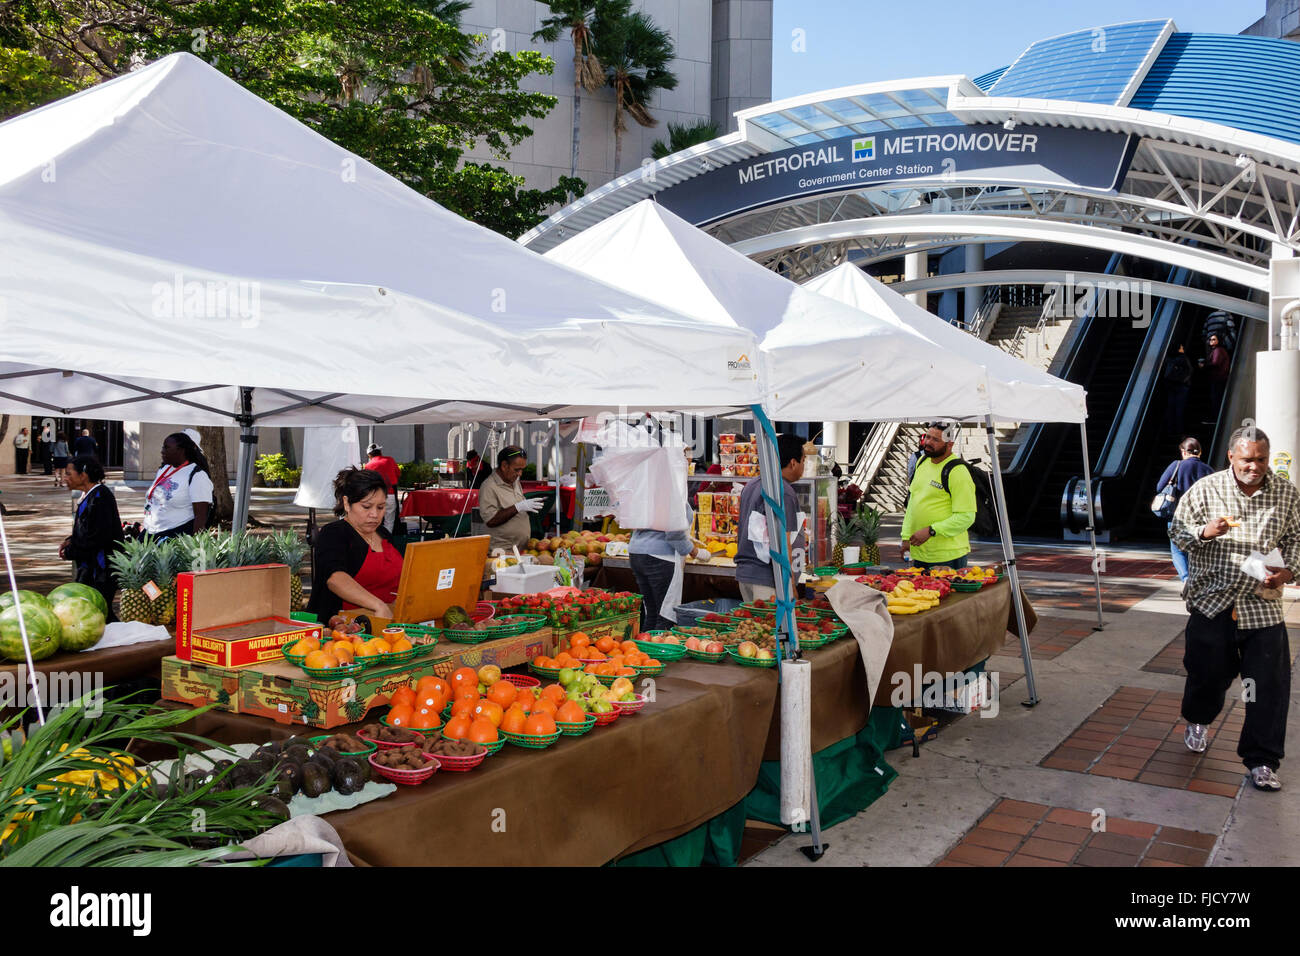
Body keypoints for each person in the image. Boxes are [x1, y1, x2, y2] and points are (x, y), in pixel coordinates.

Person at [1169, 425, 1299, 792]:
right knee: (1206, 676)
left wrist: (1288, 570)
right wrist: (1204, 533)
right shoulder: (1206, 489)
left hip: (1262, 606)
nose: (1254, 467)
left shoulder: (1286, 495)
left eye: (1260, 459)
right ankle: (1197, 719)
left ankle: (1262, 760)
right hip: (1213, 602)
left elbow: (1296, 540)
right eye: (1246, 460)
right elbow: (1177, 530)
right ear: (1231, 457)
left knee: (1267, 687)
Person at [307, 468, 402, 621]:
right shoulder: (333, 533)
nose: (374, 514)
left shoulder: (384, 534)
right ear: (346, 503)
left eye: (380, 507)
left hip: (386, 625)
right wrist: (378, 606)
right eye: (366, 506)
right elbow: (336, 579)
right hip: (339, 630)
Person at [734, 433, 806, 602]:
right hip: (768, 579)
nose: (804, 465)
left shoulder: (752, 484)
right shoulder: (784, 491)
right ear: (793, 463)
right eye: (804, 460)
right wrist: (791, 584)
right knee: (772, 628)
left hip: (745, 575)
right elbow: (783, 541)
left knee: (755, 628)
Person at [900, 421, 977, 570]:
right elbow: (913, 503)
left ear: (950, 445)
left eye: (935, 440)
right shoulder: (921, 461)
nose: (927, 443)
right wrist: (905, 537)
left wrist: (931, 530)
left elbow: (966, 517)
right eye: (927, 437)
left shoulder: (958, 471)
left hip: (948, 557)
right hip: (919, 555)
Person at [58, 456, 124, 619]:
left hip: (101, 569)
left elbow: (98, 536)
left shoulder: (100, 497)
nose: (65, 478)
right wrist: (71, 540)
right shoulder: (91, 495)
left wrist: (71, 552)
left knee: (98, 612)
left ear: (83, 475)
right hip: (91, 567)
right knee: (99, 613)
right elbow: (87, 529)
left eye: (68, 474)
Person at [1155, 437, 1214, 582]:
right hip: (1200, 517)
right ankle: (1196, 577)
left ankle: (1186, 578)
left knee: (1177, 551)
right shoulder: (1208, 469)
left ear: (1183, 451)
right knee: (1195, 548)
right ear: (1200, 452)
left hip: (1177, 515)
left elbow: (1159, 487)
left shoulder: (1176, 465)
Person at [142, 431, 214, 540]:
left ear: (181, 450)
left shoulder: (197, 475)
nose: (162, 451)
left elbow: (200, 517)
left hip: (174, 537)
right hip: (150, 533)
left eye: (167, 448)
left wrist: (194, 545)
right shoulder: (164, 469)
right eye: (163, 447)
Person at [478, 446, 541, 552]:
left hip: (520, 549)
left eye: (522, 469)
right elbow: (490, 520)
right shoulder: (489, 486)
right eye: (517, 469)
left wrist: (527, 508)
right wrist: (518, 507)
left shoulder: (514, 481)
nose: (520, 474)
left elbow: (515, 509)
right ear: (504, 465)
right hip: (502, 551)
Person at [363, 442, 400, 532]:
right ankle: (386, 541)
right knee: (389, 521)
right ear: (380, 451)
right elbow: (398, 474)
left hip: (375, 497)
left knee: (374, 520)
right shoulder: (390, 460)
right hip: (390, 495)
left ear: (369, 455)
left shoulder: (368, 466)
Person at [1162, 344, 1193, 436]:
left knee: (1171, 408)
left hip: (1170, 385)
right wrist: (1185, 381)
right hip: (1181, 386)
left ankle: (1170, 430)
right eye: (1181, 347)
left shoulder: (1167, 359)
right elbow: (1190, 370)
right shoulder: (1183, 358)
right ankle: (1180, 430)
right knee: (1180, 409)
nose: (1182, 349)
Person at [1202, 333, 1231, 419]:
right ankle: (1216, 416)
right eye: (1211, 339)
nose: (1211, 341)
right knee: (1215, 397)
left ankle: (1216, 417)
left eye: (1214, 339)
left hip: (1218, 378)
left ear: (1219, 341)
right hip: (1218, 377)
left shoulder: (1218, 350)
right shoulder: (1216, 350)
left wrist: (1205, 365)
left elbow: (1216, 363)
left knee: (1216, 398)